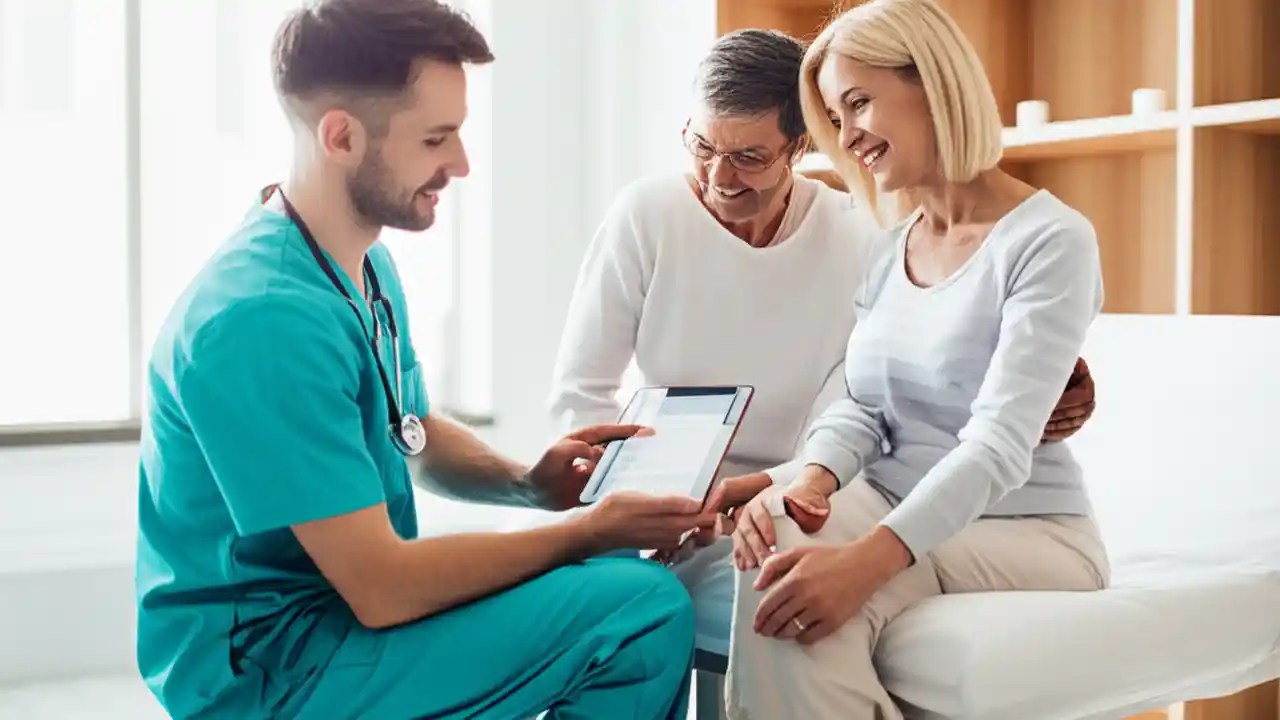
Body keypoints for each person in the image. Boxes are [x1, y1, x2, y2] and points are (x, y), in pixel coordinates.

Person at [133, 2, 715, 719]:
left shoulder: (359, 261)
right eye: (437, 138)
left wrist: (530, 488)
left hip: (337, 620)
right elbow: (384, 589)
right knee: (641, 609)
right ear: (341, 137)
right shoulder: (259, 319)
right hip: (268, 672)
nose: (462, 164)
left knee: (619, 568)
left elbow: (411, 432)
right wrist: (584, 530)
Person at [547, 28, 1096, 664]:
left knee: (772, 587)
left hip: (794, 492)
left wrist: (765, 495)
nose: (718, 177)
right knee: (617, 595)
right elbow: (581, 394)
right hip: (649, 496)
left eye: (750, 157)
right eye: (702, 146)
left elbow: (866, 410)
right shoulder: (647, 214)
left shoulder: (860, 238)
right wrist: (609, 517)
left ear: (801, 145)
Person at [721, 1, 1112, 717]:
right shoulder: (889, 244)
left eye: (859, 103)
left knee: (808, 586)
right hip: (895, 499)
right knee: (775, 525)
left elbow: (999, 445)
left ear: (933, 82)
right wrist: (811, 481)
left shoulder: (1049, 240)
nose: (848, 137)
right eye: (835, 119)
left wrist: (864, 561)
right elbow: (863, 406)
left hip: (1027, 530)